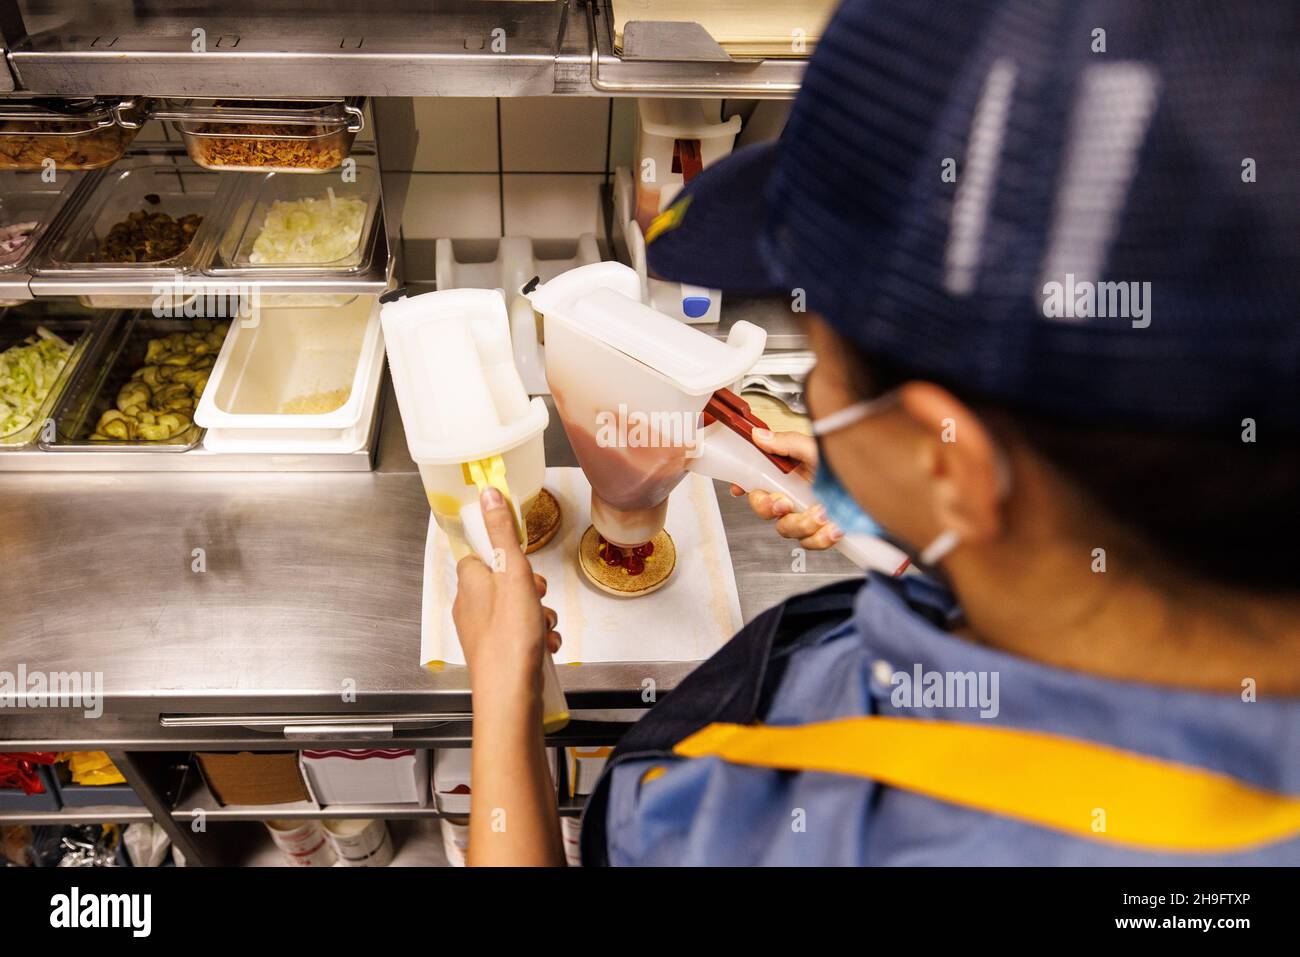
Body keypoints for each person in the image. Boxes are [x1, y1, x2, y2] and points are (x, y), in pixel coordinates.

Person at [452, 0, 1300, 865]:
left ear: (953, 459)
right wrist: (909, 514)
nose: (812, 397)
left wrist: (505, 684)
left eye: (825, 369)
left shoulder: (762, 826)